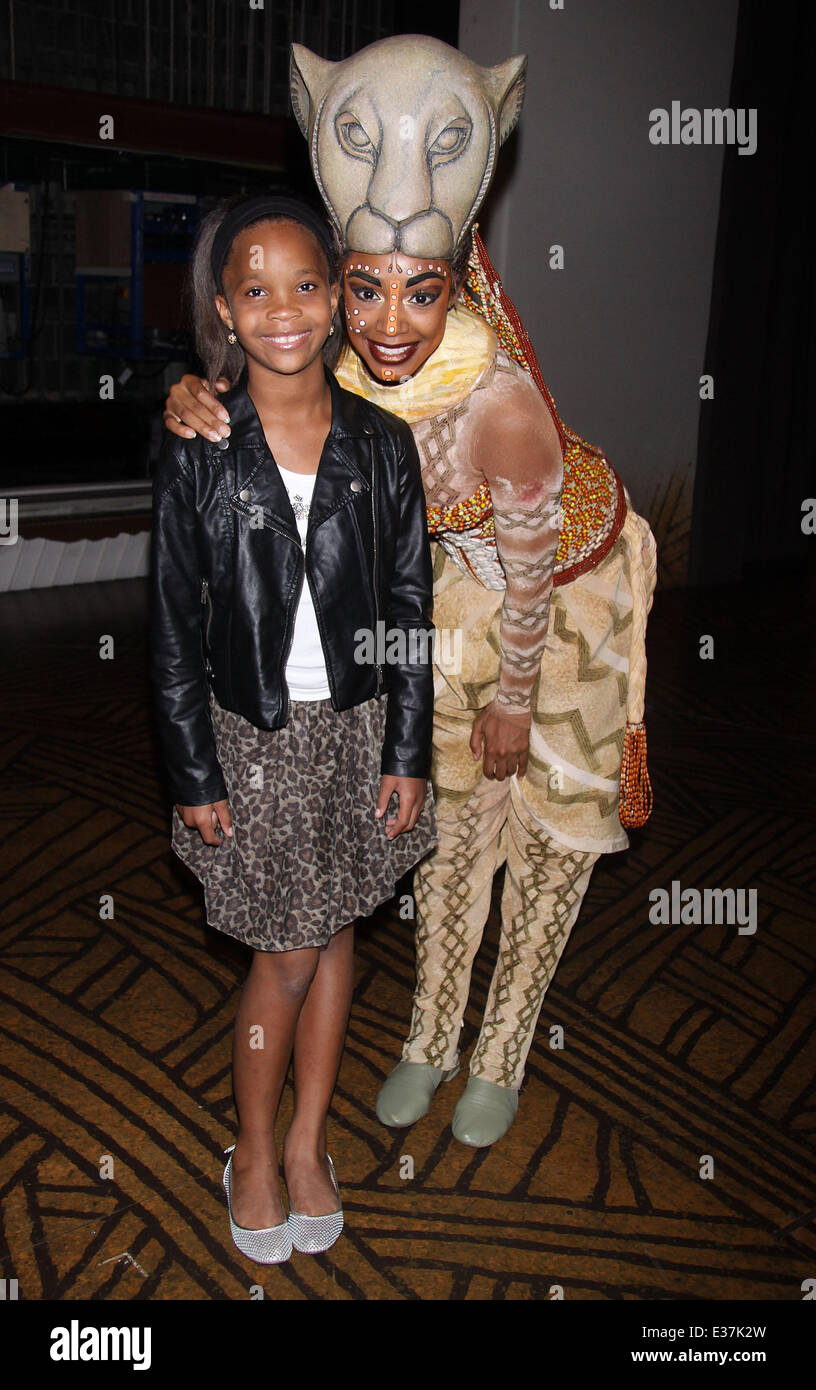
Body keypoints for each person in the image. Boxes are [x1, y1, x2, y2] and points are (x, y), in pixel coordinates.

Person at [162, 35, 657, 1150]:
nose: (389, 323)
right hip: (432, 606)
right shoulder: (330, 350)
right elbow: (257, 364)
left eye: (420, 291)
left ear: (452, 281)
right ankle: (430, 1032)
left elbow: (528, 564)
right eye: (368, 290)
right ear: (341, 287)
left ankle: (501, 1047)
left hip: (561, 610)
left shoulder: (499, 403)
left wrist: (518, 697)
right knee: (437, 830)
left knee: (538, 837)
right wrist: (193, 393)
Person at [150, 193, 437, 1263]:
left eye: (306, 283)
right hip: (252, 737)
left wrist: (409, 747)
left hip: (361, 729)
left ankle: (313, 1140)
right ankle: (256, 1150)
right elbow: (174, 626)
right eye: (254, 287)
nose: (282, 307)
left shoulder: (383, 444)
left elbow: (410, 607)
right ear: (225, 308)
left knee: (340, 928)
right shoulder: (200, 444)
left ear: (338, 300)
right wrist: (192, 769)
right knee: (286, 951)